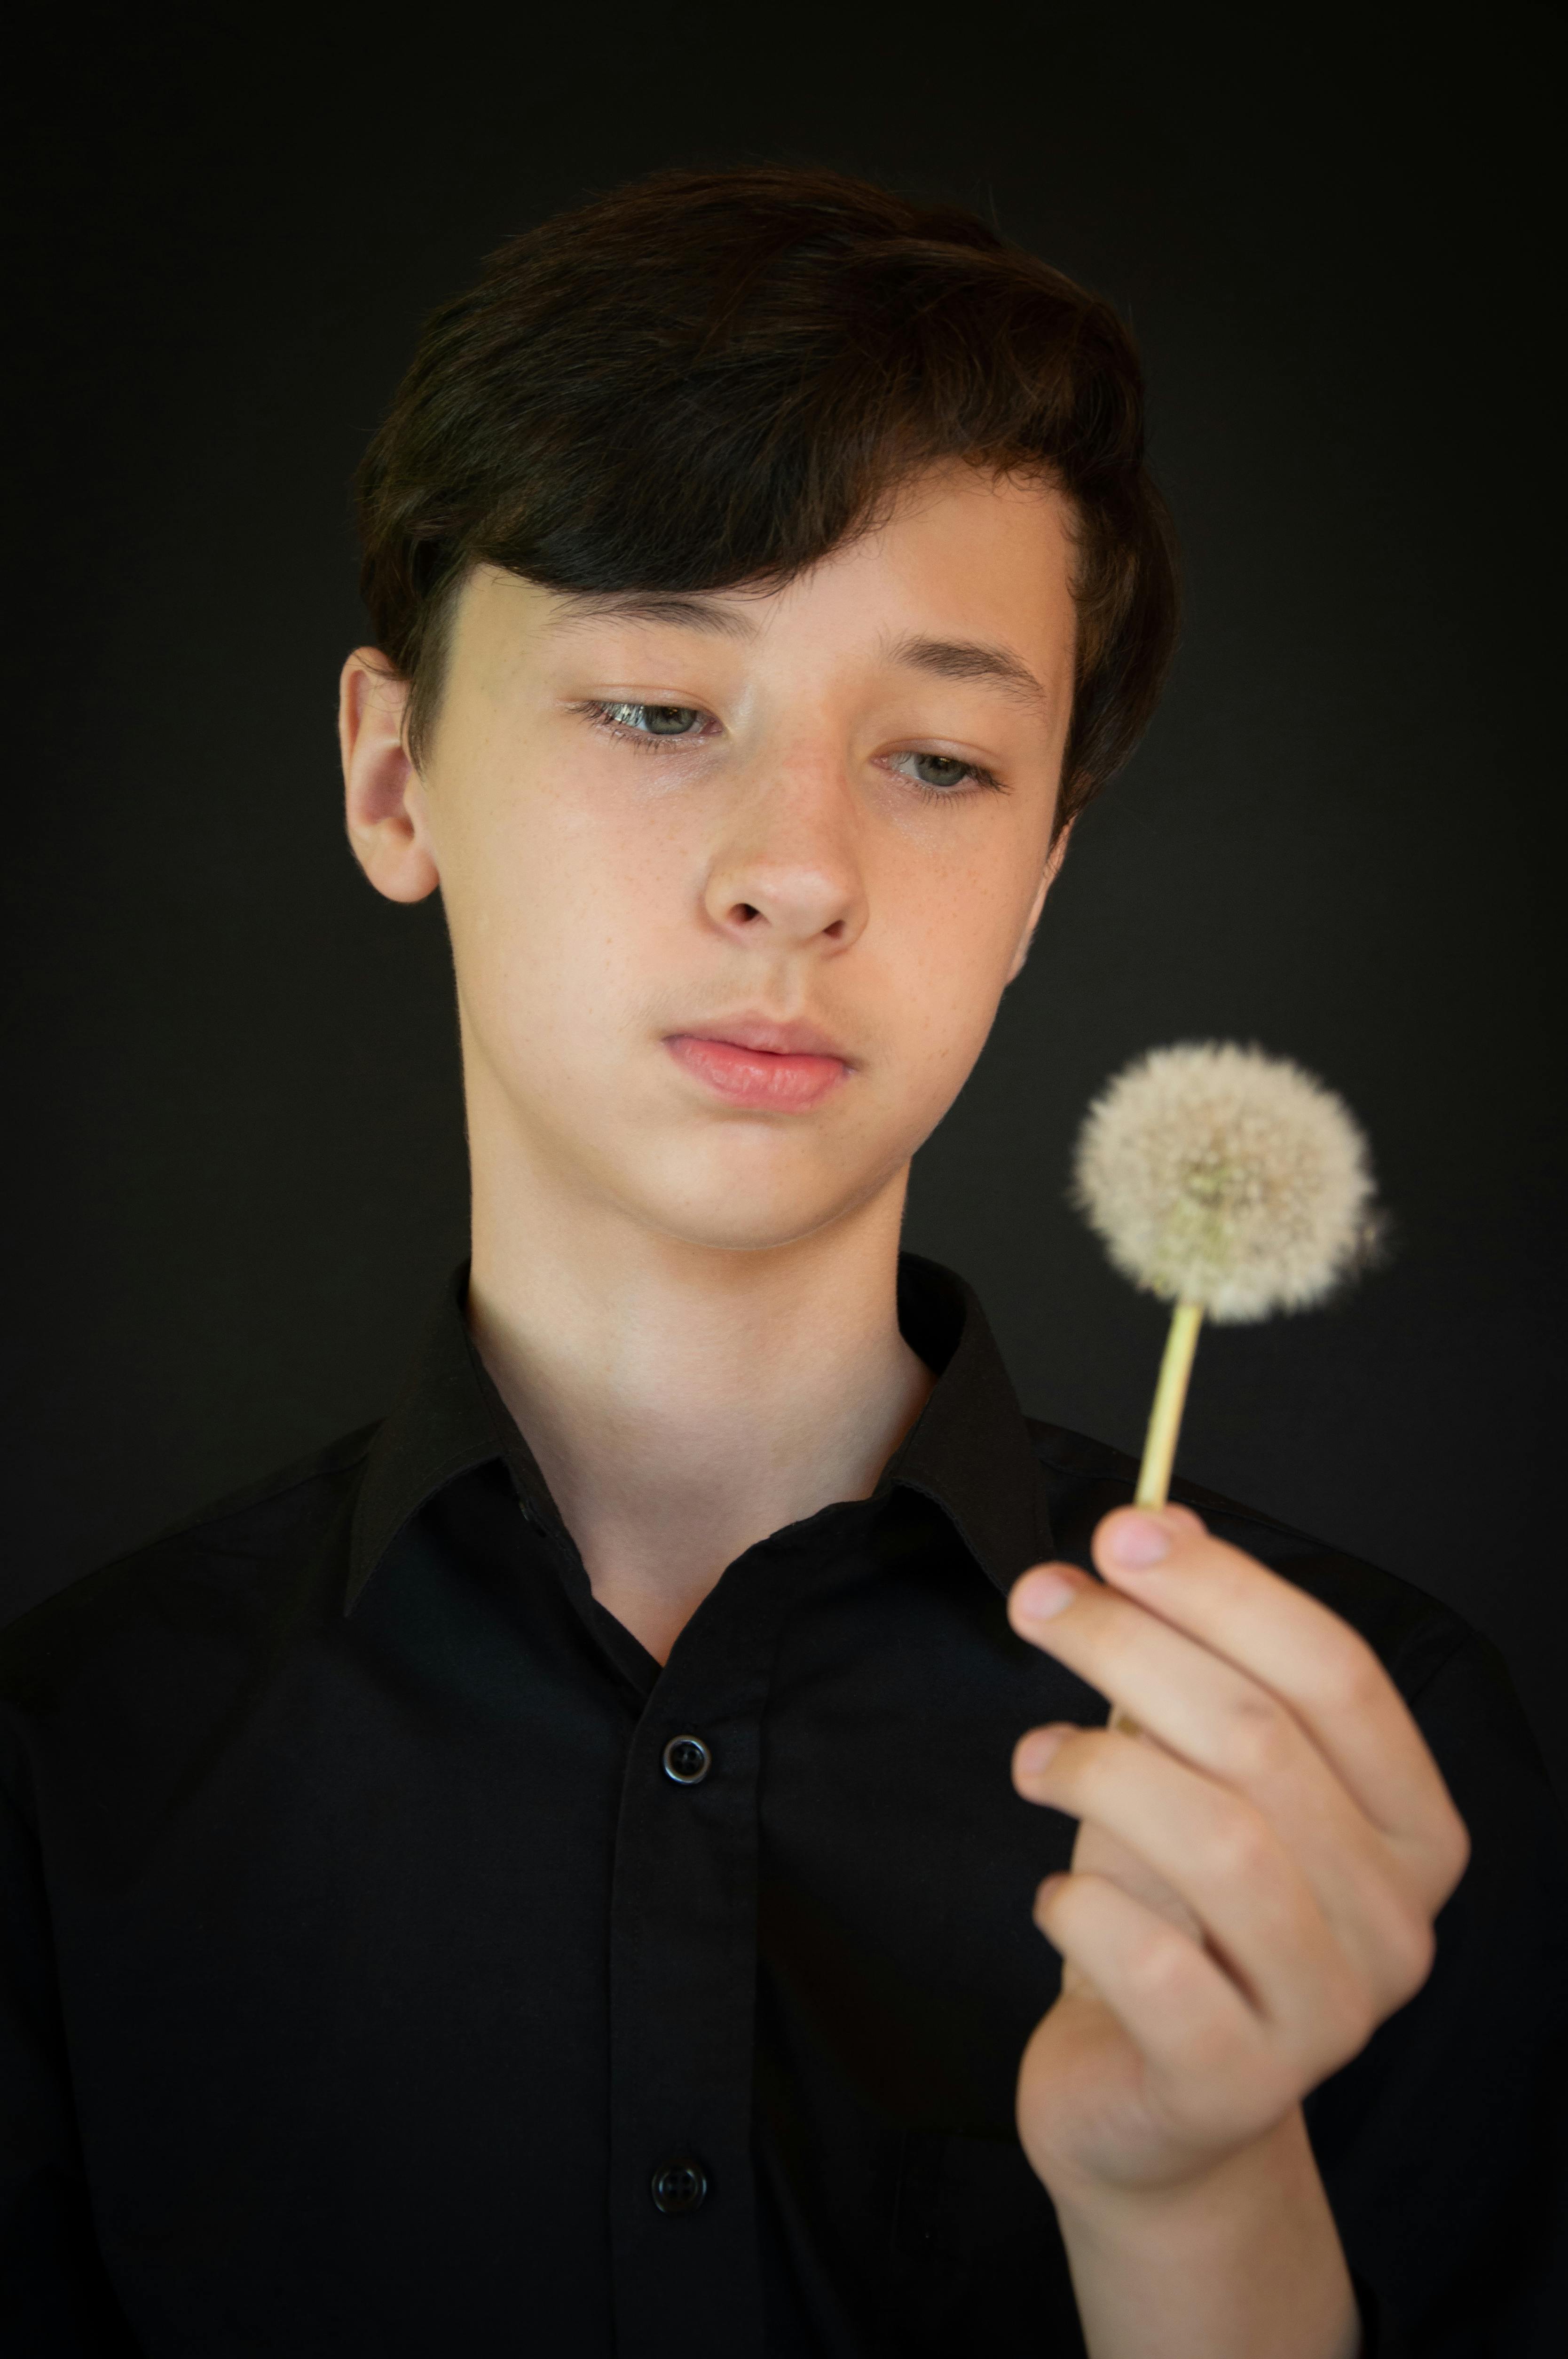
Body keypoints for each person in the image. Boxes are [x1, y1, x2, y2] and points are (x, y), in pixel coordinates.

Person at [1, 166, 1562, 2359]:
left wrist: (1198, 2216)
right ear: (390, 776)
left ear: (1038, 881)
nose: (800, 872)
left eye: (938, 758)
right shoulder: (65, 1785)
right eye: (659, 709)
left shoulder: (1358, 1795)